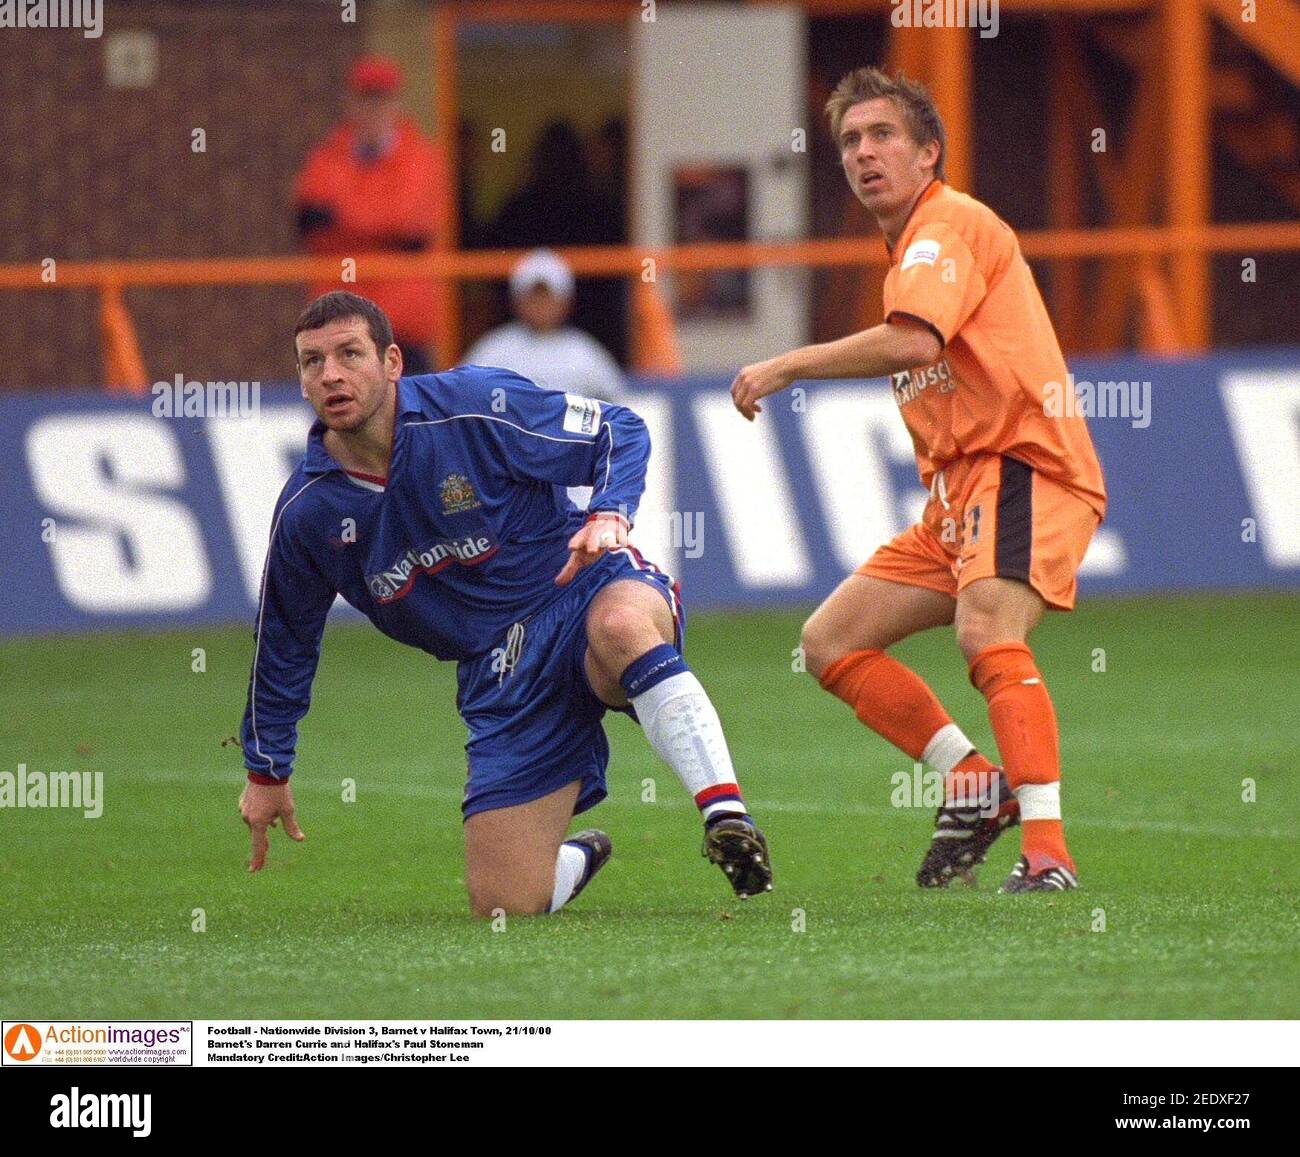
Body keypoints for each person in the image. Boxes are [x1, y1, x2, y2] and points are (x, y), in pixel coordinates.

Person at [238, 291, 773, 914]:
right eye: (312, 362)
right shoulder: (309, 514)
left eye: (349, 354)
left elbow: (617, 430)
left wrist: (608, 511)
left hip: (578, 591)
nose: (330, 374)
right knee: (506, 905)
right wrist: (267, 770)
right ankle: (577, 854)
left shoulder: (473, 408)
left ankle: (725, 817)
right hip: (500, 669)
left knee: (624, 625)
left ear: (390, 362)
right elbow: (283, 645)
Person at [730, 67, 1107, 893]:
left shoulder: (945, 227)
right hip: (956, 496)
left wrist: (787, 364)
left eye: (883, 136)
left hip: (1023, 463)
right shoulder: (906, 249)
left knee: (986, 629)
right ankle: (972, 780)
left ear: (929, 152)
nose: (864, 154)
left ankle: (1048, 855)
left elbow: (914, 345)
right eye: (850, 143)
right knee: (830, 642)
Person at [294, 55, 447, 375]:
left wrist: (343, 221)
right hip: (338, 320)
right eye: (366, 99)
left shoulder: (420, 157)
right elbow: (310, 221)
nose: (374, 111)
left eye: (382, 100)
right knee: (337, 417)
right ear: (351, 103)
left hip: (402, 326)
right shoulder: (328, 156)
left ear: (397, 104)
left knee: (412, 417)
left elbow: (410, 224)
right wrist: (381, 227)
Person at [463, 249, 625, 403]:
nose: (541, 305)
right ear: (517, 300)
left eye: (547, 297)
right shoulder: (494, 350)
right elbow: (461, 398)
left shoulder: (584, 353)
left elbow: (618, 403)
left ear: (565, 302)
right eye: (534, 297)